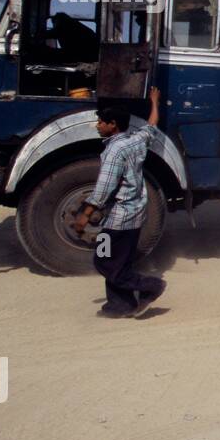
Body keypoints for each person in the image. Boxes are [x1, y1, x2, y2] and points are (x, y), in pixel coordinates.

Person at [73, 87, 167, 317]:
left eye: (101, 122)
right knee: (119, 262)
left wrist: (85, 215)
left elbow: (103, 189)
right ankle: (118, 305)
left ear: (113, 124)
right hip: (134, 215)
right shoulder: (136, 140)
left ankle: (150, 286)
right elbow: (151, 125)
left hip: (118, 219)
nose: (98, 125)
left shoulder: (115, 151)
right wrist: (154, 101)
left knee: (102, 260)